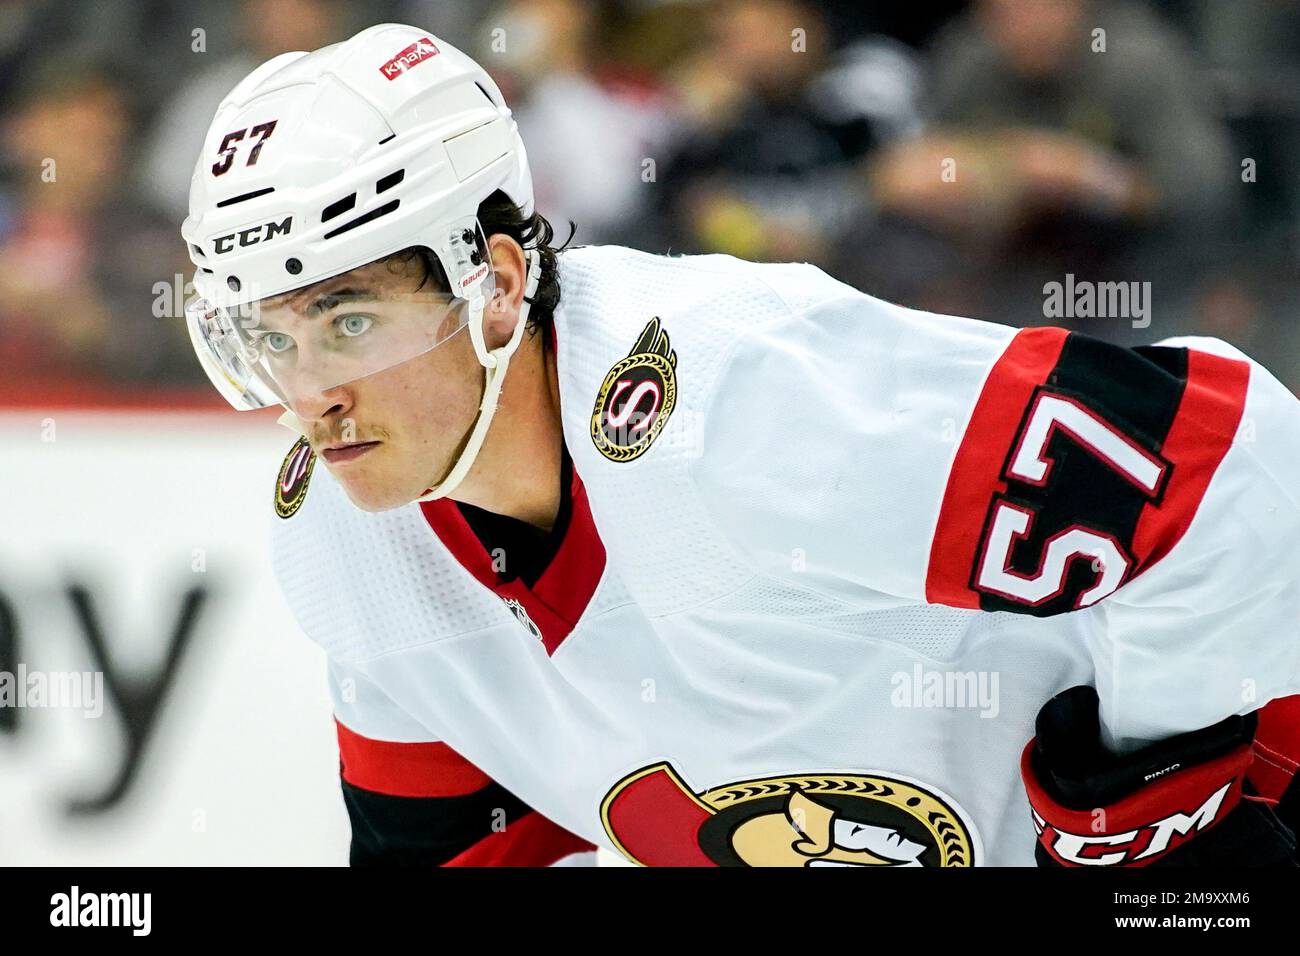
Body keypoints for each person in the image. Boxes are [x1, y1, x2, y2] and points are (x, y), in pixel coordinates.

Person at [179, 24, 1300, 866]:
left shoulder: (740, 398)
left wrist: (1149, 814)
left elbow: (1235, 455)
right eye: (267, 335)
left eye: (349, 320)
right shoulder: (349, 546)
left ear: (499, 282)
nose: (309, 393)